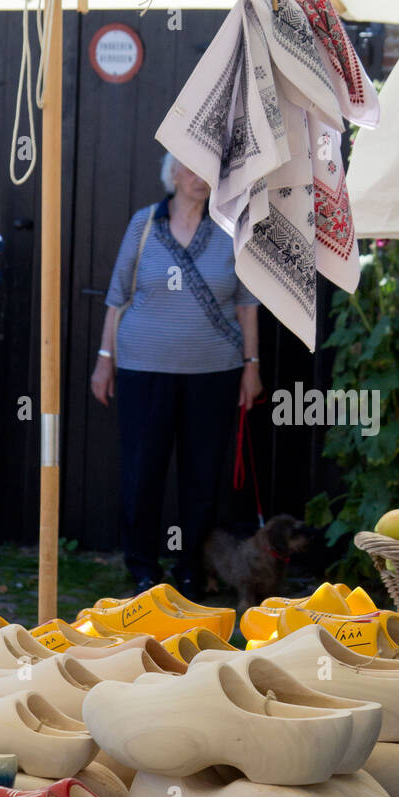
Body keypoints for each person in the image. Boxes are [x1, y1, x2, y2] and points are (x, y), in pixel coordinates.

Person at [90, 153, 262, 599]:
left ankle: (190, 568)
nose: (198, 177)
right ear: (172, 173)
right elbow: (117, 296)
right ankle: (143, 568)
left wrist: (252, 366)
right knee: (142, 473)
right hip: (143, 371)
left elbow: (247, 304)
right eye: (189, 167)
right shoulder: (143, 224)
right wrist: (104, 358)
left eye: (208, 170)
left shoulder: (230, 228)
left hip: (214, 374)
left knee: (201, 478)